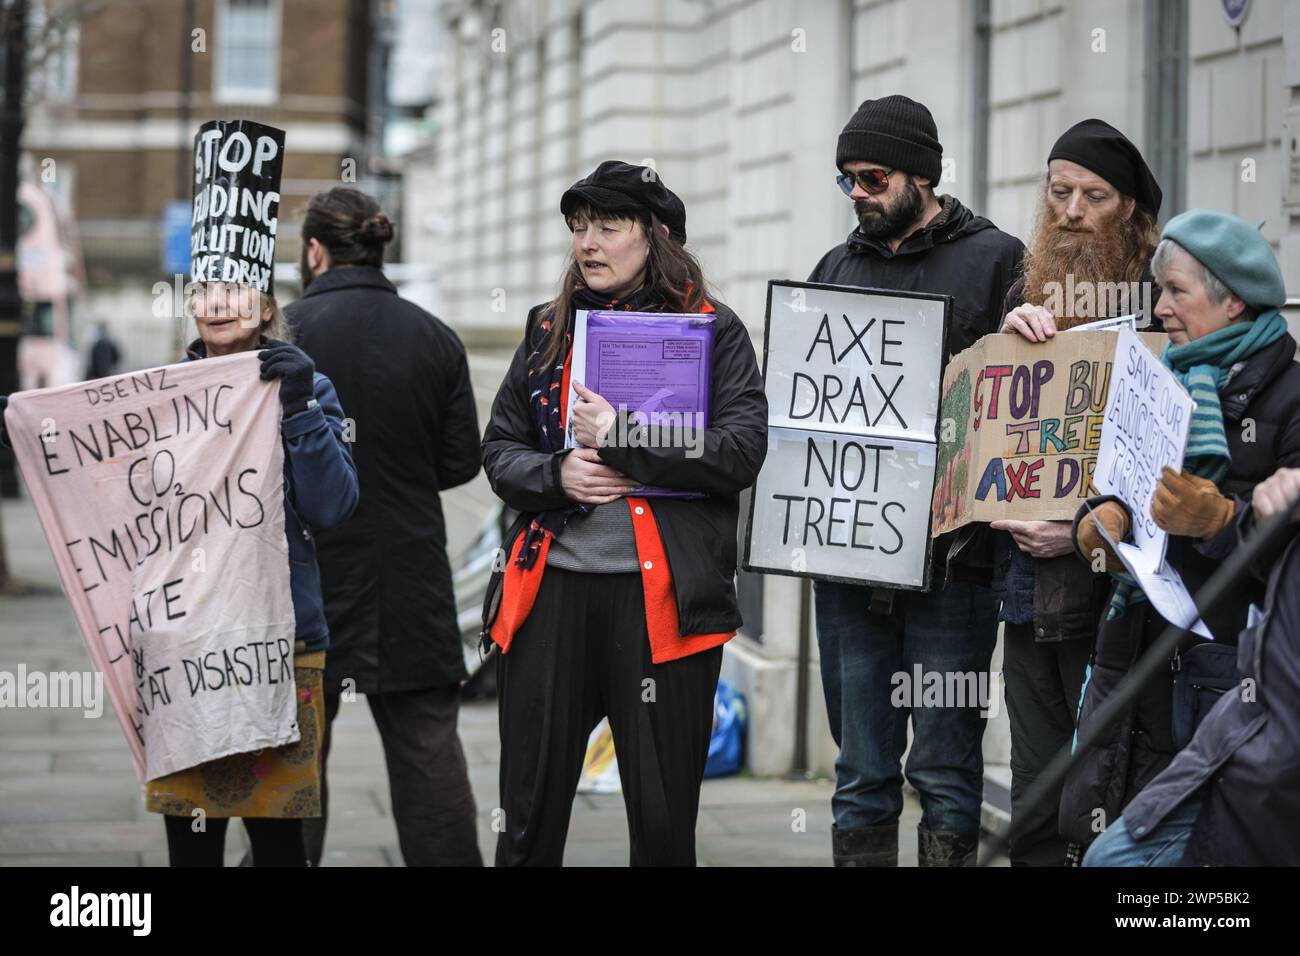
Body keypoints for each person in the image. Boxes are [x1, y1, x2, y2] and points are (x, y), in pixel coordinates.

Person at [481, 160, 768, 866]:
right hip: (552, 595)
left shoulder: (715, 330)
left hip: (662, 604)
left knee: (664, 823)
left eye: (608, 226)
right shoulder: (548, 328)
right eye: (580, 227)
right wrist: (556, 474)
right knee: (525, 814)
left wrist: (626, 435)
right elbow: (498, 450)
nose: (588, 242)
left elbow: (741, 450)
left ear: (657, 236)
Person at [808, 95, 1024, 866]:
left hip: (953, 572)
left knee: (944, 770)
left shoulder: (999, 261)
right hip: (845, 564)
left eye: (873, 177)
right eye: (848, 182)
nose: (859, 193)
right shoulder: (835, 267)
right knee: (862, 773)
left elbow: (1020, 410)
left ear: (923, 177)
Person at [1067, 209, 1300, 858]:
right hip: (1137, 651)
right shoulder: (1158, 376)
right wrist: (1101, 522)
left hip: (1226, 676)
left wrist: (1223, 521)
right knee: (1112, 823)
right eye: (1158, 289)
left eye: (1177, 291)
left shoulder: (1290, 399)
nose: (1161, 307)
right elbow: (1117, 484)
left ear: (1231, 302)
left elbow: (1288, 565)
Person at [287, 187, 483, 867]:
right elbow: (460, 462)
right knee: (429, 757)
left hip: (303, 579)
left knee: (294, 763)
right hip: (410, 573)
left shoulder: (281, 339)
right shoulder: (434, 336)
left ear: (314, 251)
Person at [992, 119, 1162, 866]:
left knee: (1107, 788)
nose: (1071, 210)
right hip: (1027, 592)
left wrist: (1086, 533)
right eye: (1059, 192)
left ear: (1127, 210)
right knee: (1033, 788)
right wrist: (1002, 347)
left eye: (1092, 196)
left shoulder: (1162, 303)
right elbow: (979, 433)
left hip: (1118, 600)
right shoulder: (1022, 289)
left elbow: (1173, 463)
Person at [144, 280, 359, 866]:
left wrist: (299, 408)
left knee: (277, 839)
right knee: (192, 840)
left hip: (281, 640)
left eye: (233, 291)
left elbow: (333, 505)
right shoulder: (157, 396)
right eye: (203, 292)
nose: (215, 305)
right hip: (185, 644)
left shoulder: (309, 388)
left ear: (266, 309)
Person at [1084, 466, 1300, 866]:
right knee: (1108, 855)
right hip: (1237, 727)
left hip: (1259, 752)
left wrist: (1220, 520)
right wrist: (1107, 518)